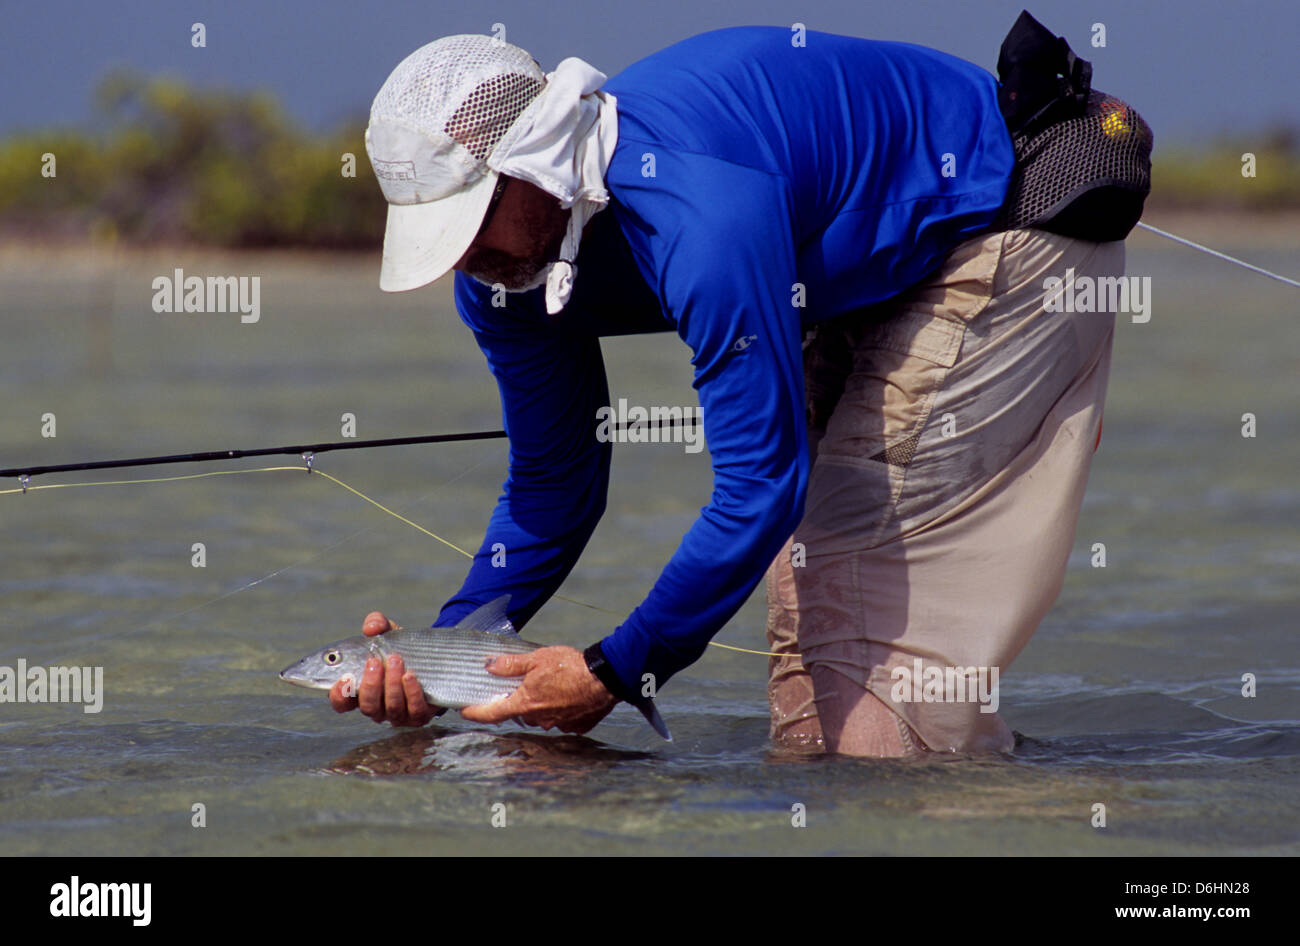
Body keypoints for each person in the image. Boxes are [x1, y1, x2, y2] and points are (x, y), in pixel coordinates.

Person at [328, 22, 1147, 756]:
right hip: (848, 271)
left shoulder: (697, 215)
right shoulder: (498, 279)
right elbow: (554, 485)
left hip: (1002, 213)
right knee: (809, 667)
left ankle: (1046, 808)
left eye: (469, 222)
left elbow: (762, 488)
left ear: (534, 164)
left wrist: (615, 672)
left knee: (868, 695)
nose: (460, 259)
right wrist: (444, 650)